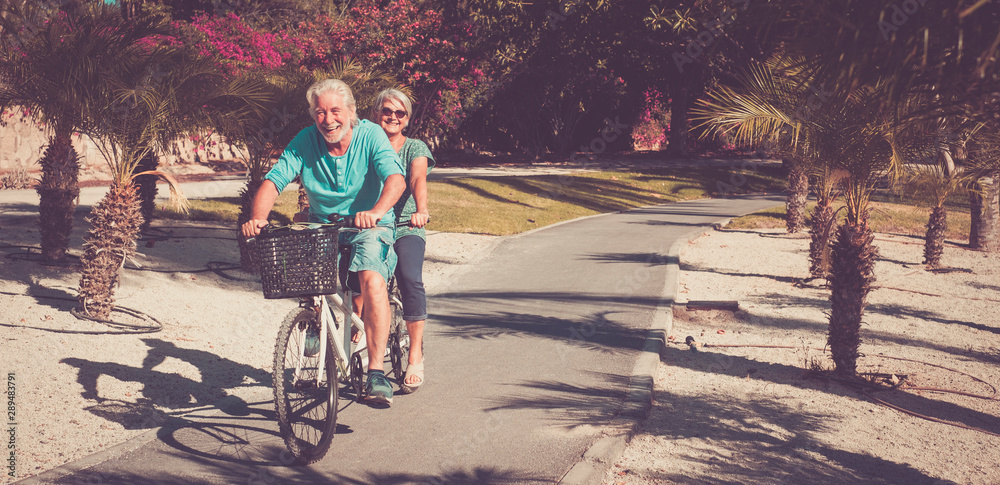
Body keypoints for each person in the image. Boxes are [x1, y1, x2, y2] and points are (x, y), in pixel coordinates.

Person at [242, 79, 405, 405]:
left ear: (351, 112)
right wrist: (258, 217)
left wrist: (374, 211)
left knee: (372, 279)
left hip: (370, 225)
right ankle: (315, 321)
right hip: (323, 226)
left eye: (335, 111)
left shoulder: (370, 135)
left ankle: (375, 374)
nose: (328, 119)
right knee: (301, 266)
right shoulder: (305, 141)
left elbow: (395, 180)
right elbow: (274, 181)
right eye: (320, 112)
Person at [373, 88, 433, 393]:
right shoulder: (367, 141)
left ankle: (414, 354)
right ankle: (363, 336)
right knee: (362, 278)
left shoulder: (414, 147)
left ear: (407, 119)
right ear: (377, 113)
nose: (393, 117)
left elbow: (417, 178)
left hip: (406, 225)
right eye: (387, 111)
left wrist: (421, 210)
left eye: (400, 113)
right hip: (373, 222)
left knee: (409, 277)